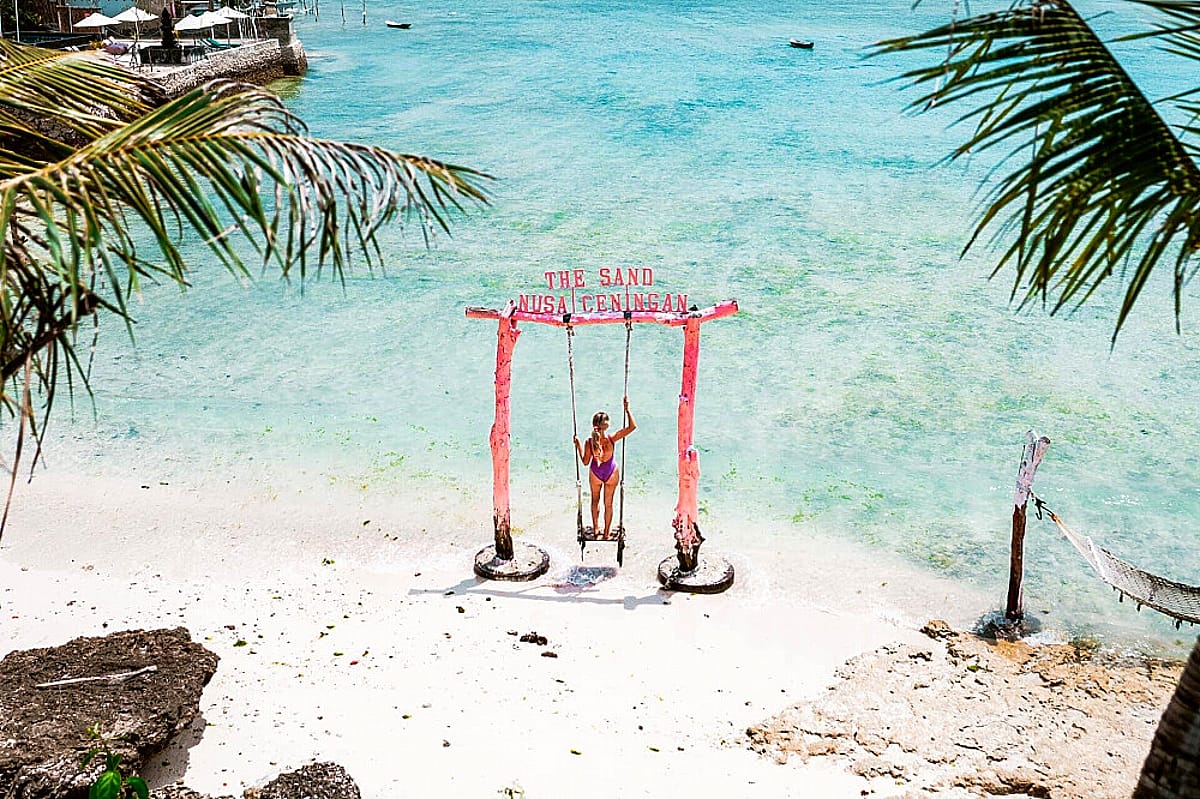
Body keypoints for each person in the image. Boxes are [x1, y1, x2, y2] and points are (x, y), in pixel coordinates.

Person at [574, 397, 636, 538]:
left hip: (595, 473)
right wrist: (627, 409)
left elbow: (585, 462)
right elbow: (632, 427)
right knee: (609, 504)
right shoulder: (611, 438)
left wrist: (578, 445)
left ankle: (596, 530)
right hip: (611, 472)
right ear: (606, 425)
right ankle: (606, 533)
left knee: (595, 501)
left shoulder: (589, 442)